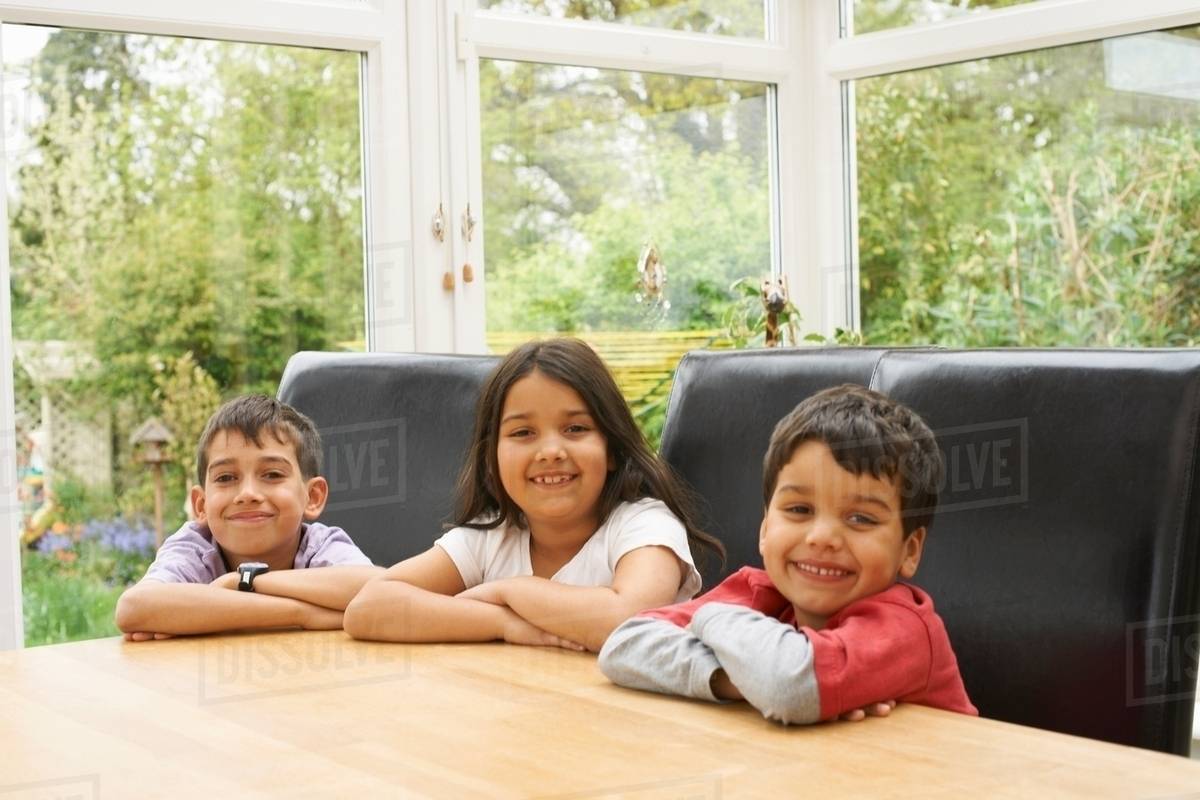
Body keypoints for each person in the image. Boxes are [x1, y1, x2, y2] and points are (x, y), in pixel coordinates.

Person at [598, 384, 977, 724]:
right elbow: (623, 645)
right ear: (765, 529)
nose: (822, 537)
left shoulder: (907, 630)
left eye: (860, 518)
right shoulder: (759, 590)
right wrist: (741, 678)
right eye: (799, 510)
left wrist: (713, 618)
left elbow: (788, 688)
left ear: (909, 550)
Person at [344, 338, 725, 652]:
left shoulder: (645, 524)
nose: (550, 451)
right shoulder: (490, 537)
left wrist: (511, 590)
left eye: (575, 428)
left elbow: (629, 619)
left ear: (611, 449)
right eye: (523, 433)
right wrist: (501, 620)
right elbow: (368, 607)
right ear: (491, 459)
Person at [115, 395, 381, 640]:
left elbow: (378, 589)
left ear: (312, 496)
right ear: (201, 505)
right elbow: (135, 607)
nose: (248, 494)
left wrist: (243, 582)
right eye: (226, 478)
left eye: (272, 474)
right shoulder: (195, 546)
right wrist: (303, 615)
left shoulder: (320, 545)